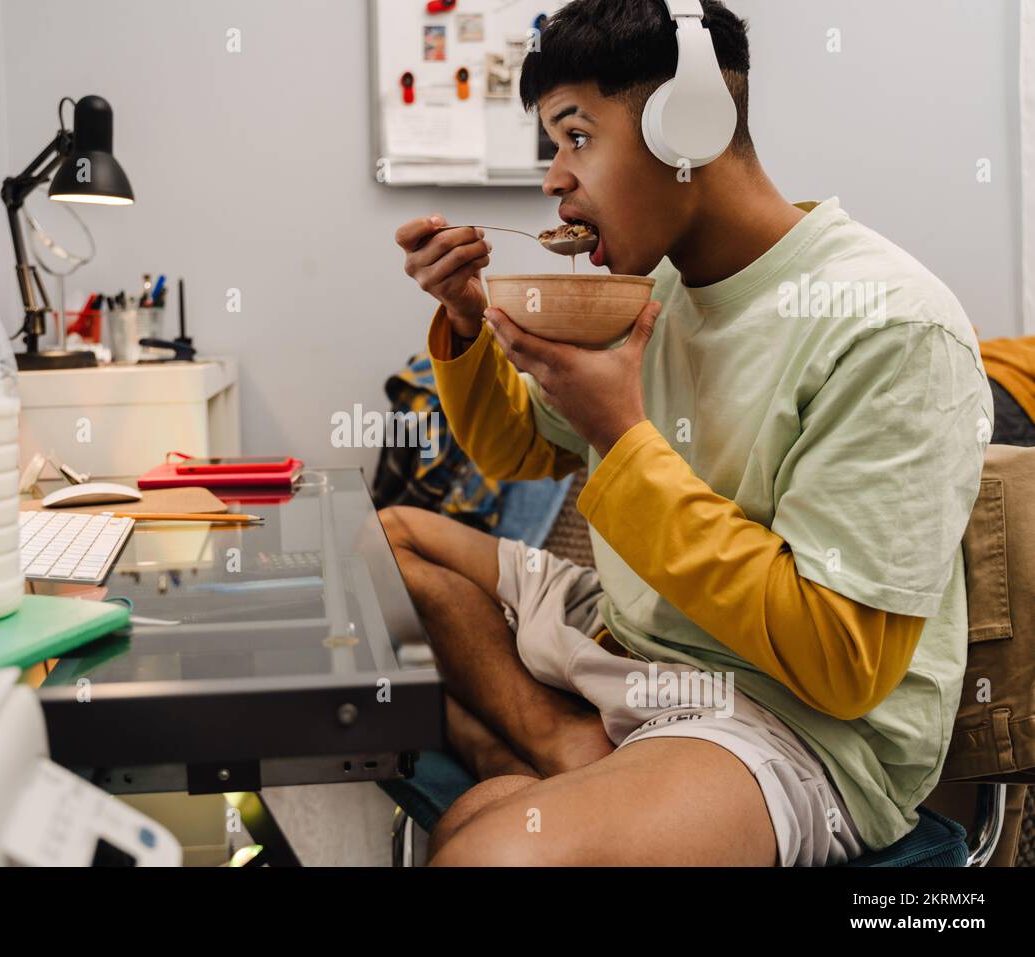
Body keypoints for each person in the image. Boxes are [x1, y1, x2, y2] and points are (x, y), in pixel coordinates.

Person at [386, 0, 991, 866]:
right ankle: (556, 742)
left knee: (489, 850)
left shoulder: (888, 323)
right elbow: (518, 450)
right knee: (383, 544)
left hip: (793, 722)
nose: (555, 178)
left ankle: (544, 765)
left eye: (576, 136)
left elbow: (840, 663)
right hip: (635, 644)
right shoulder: (654, 292)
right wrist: (466, 321)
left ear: (690, 124)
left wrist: (622, 432)